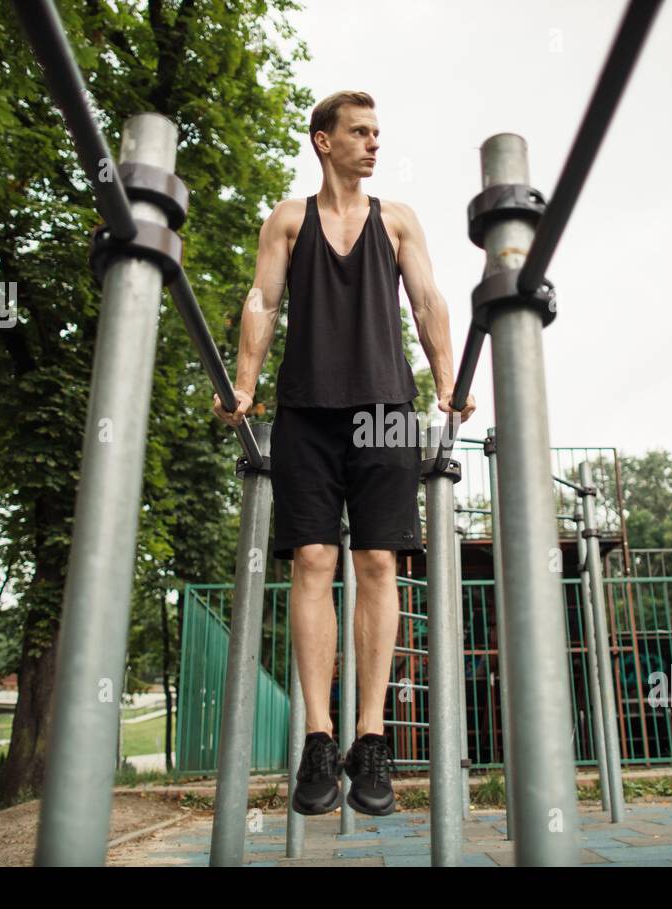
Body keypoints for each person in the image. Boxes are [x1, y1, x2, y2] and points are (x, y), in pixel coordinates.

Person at [213, 90, 475, 816]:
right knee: (313, 561)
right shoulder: (288, 220)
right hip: (306, 414)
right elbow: (261, 301)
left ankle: (371, 737)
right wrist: (242, 383)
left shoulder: (396, 220)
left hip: (386, 412)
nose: (373, 143)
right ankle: (320, 739)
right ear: (323, 141)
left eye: (378, 132)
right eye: (359, 132)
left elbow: (427, 303)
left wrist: (448, 383)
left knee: (379, 561)